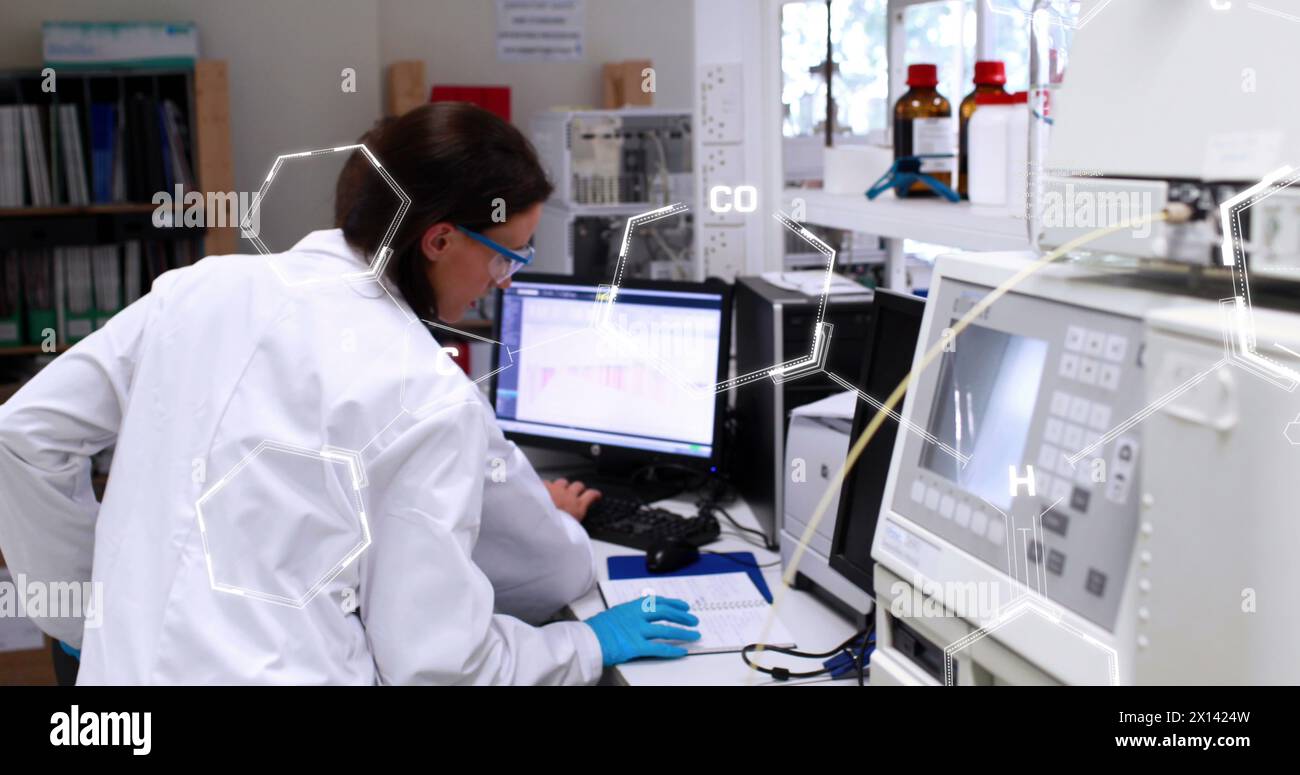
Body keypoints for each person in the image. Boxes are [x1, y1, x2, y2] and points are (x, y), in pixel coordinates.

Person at [0, 102, 699, 684]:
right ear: (439, 240)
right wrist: (586, 646)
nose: (506, 280)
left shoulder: (199, 289)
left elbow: (23, 433)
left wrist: (91, 605)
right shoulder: (425, 390)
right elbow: (437, 663)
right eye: (508, 254)